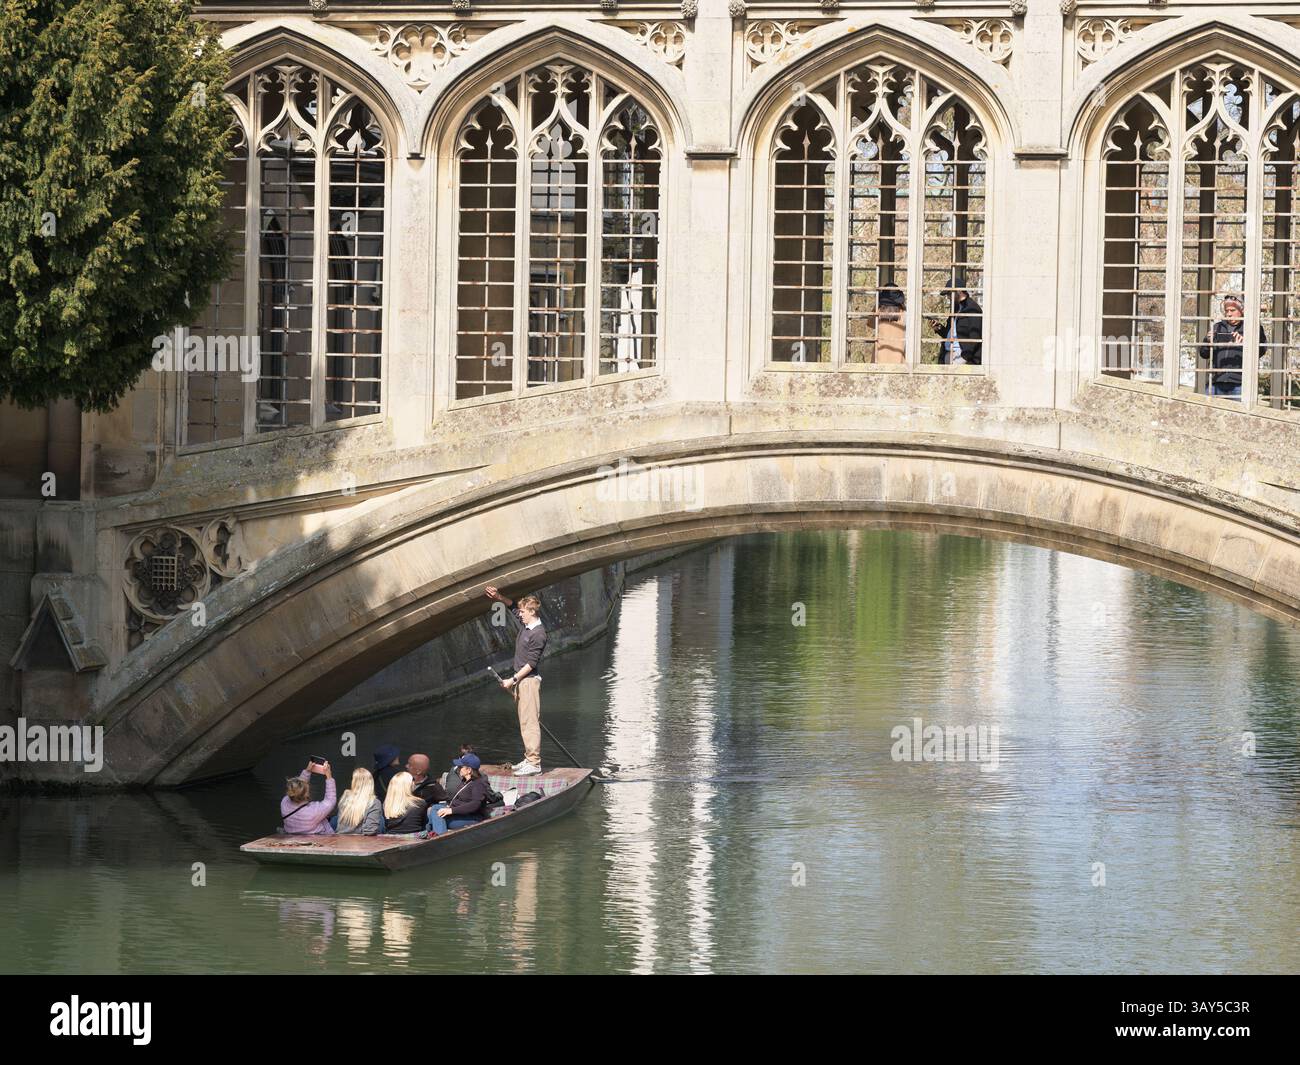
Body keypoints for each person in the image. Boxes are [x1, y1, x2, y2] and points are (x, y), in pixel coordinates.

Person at [484, 587, 547, 775]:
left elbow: (531, 663)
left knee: (530, 723)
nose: (520, 614)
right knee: (525, 722)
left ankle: (534, 763)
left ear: (532, 612)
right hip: (522, 682)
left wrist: (512, 680)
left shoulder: (539, 634)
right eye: (520, 612)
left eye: (523, 612)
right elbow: (511, 607)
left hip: (528, 681)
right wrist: (498, 597)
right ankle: (529, 758)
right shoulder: (526, 626)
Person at [1199, 295, 1264, 400]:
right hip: (1216, 382)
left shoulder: (1254, 328)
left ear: (1242, 310)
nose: (1229, 314)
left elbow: (1261, 351)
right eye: (1226, 310)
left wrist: (1246, 345)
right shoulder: (1217, 327)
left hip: (1240, 384)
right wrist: (1207, 341)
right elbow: (1203, 354)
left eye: (1232, 310)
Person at [927, 277, 982, 365]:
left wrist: (965, 358)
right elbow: (950, 334)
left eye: (949, 293)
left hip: (961, 357)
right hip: (948, 354)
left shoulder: (973, 309)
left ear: (959, 291)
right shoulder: (955, 309)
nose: (948, 297)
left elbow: (975, 336)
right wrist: (938, 328)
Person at [427, 762, 491, 836]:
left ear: (469, 770)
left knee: (437, 817)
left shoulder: (478, 784)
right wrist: (450, 807)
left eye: (461, 767)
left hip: (473, 819)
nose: (458, 769)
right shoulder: (465, 782)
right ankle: (432, 831)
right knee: (435, 808)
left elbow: (475, 804)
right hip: (462, 815)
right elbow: (462, 801)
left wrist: (451, 810)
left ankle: (440, 837)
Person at [281, 760, 336, 835]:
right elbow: (330, 801)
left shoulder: (284, 803)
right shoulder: (314, 811)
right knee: (337, 819)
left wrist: (307, 771)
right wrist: (329, 776)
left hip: (294, 836)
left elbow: (298, 788)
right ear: (306, 795)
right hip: (319, 840)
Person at [334, 767, 385, 835]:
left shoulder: (345, 799)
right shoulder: (374, 802)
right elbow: (370, 831)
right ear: (371, 783)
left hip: (341, 841)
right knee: (381, 819)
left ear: (353, 782)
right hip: (361, 843)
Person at [876, 285, 906, 365]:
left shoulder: (878, 313)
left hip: (879, 359)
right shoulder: (903, 313)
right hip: (898, 359)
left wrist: (877, 305)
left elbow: (870, 324)